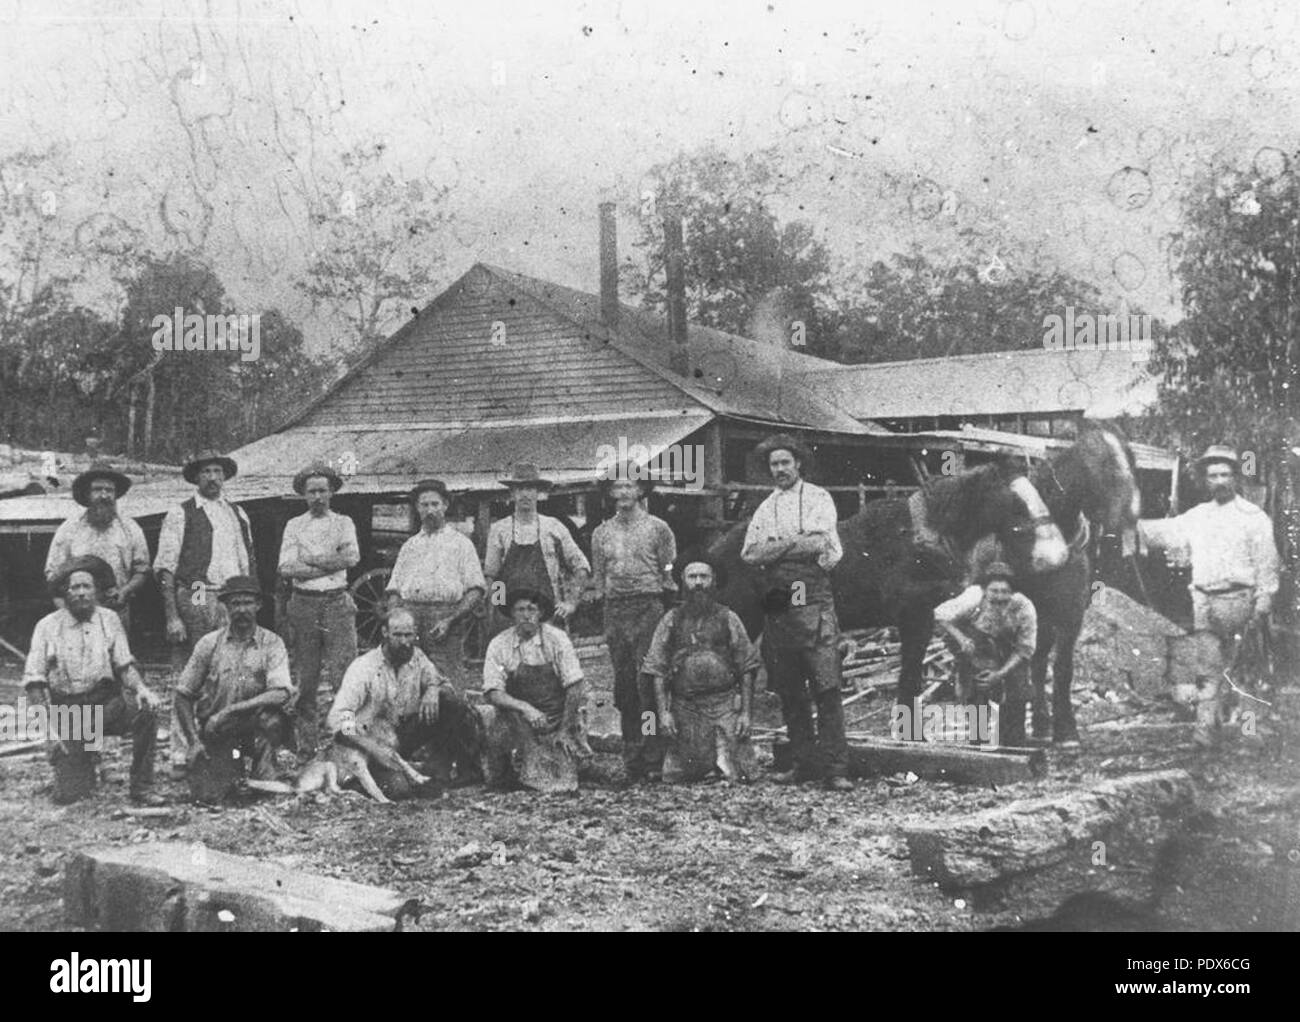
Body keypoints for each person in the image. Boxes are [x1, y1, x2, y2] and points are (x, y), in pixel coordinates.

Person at [1139, 445, 1281, 746]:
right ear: (1205, 480)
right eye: (1213, 475)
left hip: (1241, 601)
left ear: (1236, 477)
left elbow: (1268, 563)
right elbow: (1162, 533)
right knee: (1208, 671)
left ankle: (1248, 731)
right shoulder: (1198, 516)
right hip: (1203, 601)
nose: (1219, 480)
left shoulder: (1253, 517)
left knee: (1244, 672)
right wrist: (1125, 522)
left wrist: (1264, 600)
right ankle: (1205, 732)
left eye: (1225, 474)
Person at [741, 434, 852, 791]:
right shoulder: (766, 507)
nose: (780, 470)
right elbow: (750, 554)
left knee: (826, 686)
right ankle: (804, 765)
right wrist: (793, 544)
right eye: (774, 465)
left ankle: (836, 769)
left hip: (813, 595)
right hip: (779, 598)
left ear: (798, 463)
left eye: (785, 463)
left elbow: (820, 543)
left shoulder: (819, 497)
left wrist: (778, 546)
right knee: (789, 688)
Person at [22, 556, 164, 805]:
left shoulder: (109, 619)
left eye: (86, 586)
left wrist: (142, 689)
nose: (80, 593)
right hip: (69, 713)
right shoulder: (47, 627)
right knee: (72, 796)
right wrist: (49, 733)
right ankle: (85, 758)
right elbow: (35, 683)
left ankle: (142, 786)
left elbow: (124, 664)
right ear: (64, 593)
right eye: (74, 587)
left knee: (146, 710)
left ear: (96, 591)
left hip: (105, 707)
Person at [155, 449, 257, 777]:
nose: (213, 477)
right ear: (196, 477)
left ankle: (224, 749)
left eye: (218, 471)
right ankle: (181, 753)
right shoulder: (181, 513)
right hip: (198, 591)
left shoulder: (237, 513)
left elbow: (247, 561)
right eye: (206, 472)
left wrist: (247, 601)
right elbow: (167, 569)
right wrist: (173, 615)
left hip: (231, 598)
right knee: (191, 674)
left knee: (232, 673)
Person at [326, 607, 485, 796]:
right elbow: (340, 716)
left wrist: (433, 688)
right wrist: (373, 748)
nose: (404, 642)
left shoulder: (417, 657)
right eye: (398, 635)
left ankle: (459, 771)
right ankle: (361, 781)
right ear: (385, 633)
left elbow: (445, 686)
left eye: (409, 635)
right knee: (399, 789)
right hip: (367, 742)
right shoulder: (364, 668)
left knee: (451, 703)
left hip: (402, 735)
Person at [585, 462, 677, 782]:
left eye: (630, 486)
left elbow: (668, 573)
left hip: (648, 607)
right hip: (615, 610)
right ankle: (632, 751)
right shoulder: (601, 533)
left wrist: (664, 599)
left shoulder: (658, 528)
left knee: (647, 680)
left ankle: (654, 752)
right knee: (624, 684)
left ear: (641, 491)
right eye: (617, 487)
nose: (623, 493)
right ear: (610, 493)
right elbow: (598, 578)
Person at [173, 576, 294, 801]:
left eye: (247, 603)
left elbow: (281, 692)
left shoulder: (272, 643)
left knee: (273, 721)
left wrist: (231, 710)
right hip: (219, 730)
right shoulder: (209, 643)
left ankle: (264, 770)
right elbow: (182, 694)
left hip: (255, 724)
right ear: (226, 606)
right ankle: (231, 770)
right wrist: (192, 742)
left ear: (258, 605)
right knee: (211, 796)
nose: (241, 610)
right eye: (235, 604)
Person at [642, 558, 759, 784]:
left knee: (739, 772)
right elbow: (656, 669)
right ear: (683, 582)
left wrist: (745, 713)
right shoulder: (671, 619)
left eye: (704, 577)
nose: (698, 583)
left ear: (714, 582)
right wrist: (663, 714)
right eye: (692, 577)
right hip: (686, 706)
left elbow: (747, 667)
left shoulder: (729, 617)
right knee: (682, 773)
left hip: (724, 706)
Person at [278, 462, 360, 755]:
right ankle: (307, 745)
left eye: (323, 491)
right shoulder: (294, 526)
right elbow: (286, 568)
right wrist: (328, 562)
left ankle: (349, 739)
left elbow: (351, 558)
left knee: (346, 675)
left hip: (337, 602)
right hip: (304, 604)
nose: (317, 497)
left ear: (332, 492)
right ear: (303, 495)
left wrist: (310, 562)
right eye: (311, 492)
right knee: (307, 677)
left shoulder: (344, 523)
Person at [481, 588, 589, 792]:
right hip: (519, 720)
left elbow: (575, 686)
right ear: (512, 614)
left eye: (532, 609)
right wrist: (525, 708)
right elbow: (492, 692)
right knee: (504, 772)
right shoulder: (499, 644)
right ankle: (514, 765)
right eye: (520, 609)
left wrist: (565, 730)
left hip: (557, 719)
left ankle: (561, 753)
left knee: (563, 782)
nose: (526, 615)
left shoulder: (557, 639)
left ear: (540, 613)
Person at [385, 479, 486, 691]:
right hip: (410, 619)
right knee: (408, 678)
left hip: (445, 620)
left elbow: (476, 590)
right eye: (424, 505)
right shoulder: (410, 546)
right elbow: (394, 589)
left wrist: (450, 619)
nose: (430, 510)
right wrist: (397, 618)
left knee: (447, 680)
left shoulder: (461, 544)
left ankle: (454, 722)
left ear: (445, 506)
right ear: (417, 508)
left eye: (435, 504)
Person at [933, 561, 1037, 748]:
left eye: (1005, 592)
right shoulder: (973, 597)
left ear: (1012, 592)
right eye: (994, 591)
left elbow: (1025, 649)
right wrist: (962, 639)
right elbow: (940, 615)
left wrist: (1000, 674)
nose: (999, 597)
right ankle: (977, 742)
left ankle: (1012, 744)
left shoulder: (1024, 608)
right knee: (976, 690)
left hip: (1009, 652)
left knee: (1016, 691)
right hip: (977, 647)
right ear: (985, 590)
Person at [45, 461, 150, 633]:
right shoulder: (69, 529)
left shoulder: (130, 528)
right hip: (76, 614)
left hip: (116, 613)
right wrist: (65, 612)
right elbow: (53, 575)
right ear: (87, 494)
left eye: (109, 490)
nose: (104, 495)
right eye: (97, 489)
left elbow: (142, 570)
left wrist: (125, 591)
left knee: (117, 657)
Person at [483, 463, 590, 630]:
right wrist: (499, 611)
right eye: (520, 489)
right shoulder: (499, 529)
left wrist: (570, 603)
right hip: (511, 619)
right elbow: (493, 576)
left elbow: (581, 566)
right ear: (512, 493)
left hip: (548, 615)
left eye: (530, 488)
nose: (525, 494)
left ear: (538, 492)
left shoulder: (553, 527)